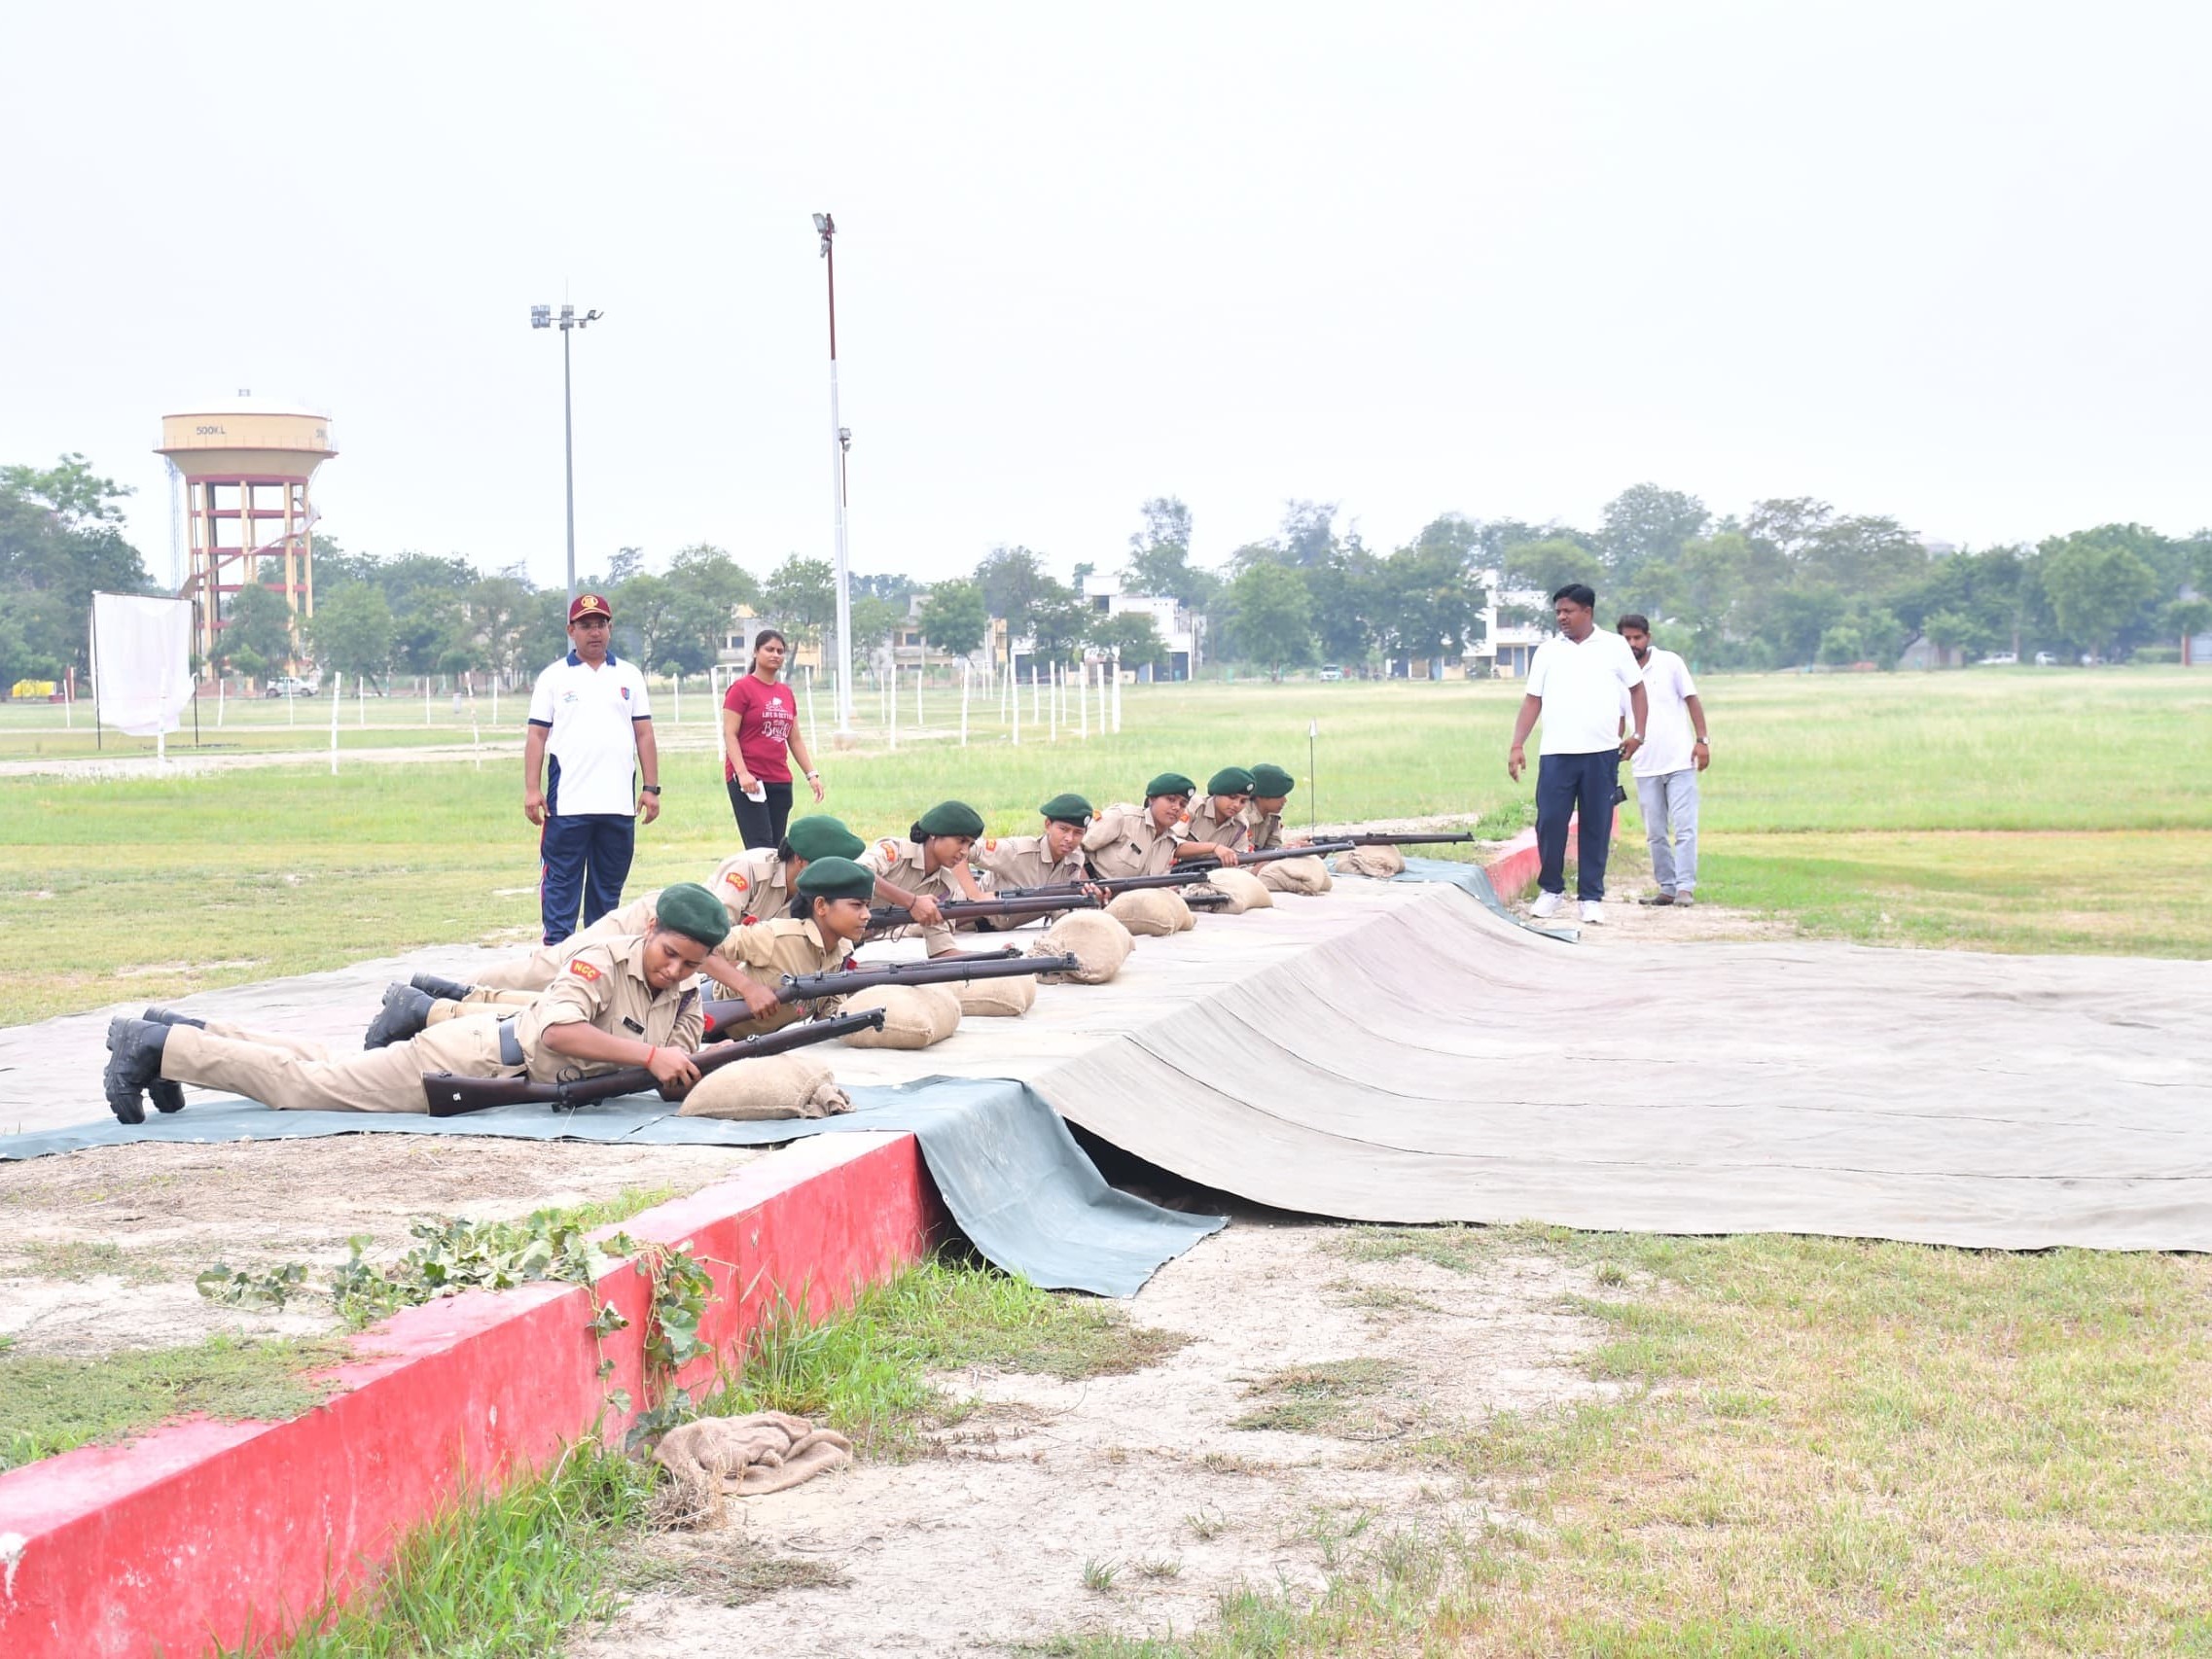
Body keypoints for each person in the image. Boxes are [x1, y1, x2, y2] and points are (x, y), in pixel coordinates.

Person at [102, 885, 725, 1122]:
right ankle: (157, 1048)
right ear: (650, 932)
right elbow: (561, 1033)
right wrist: (650, 1054)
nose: (675, 971)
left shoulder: (686, 994)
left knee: (324, 1062)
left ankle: (181, 1032)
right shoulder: (601, 961)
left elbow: (674, 1069)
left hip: (493, 1068)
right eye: (669, 953)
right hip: (475, 1061)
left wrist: (696, 1065)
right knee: (307, 1088)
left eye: (692, 963)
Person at [422, 815, 867, 1001]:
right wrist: (748, 989)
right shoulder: (748, 871)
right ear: (804, 861)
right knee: (550, 968)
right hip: (653, 926)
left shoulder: (801, 897)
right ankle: (446, 991)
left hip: (673, 955)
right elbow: (702, 937)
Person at [1506, 583, 1648, 924]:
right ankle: (1551, 890)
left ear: (1588, 611)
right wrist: (1516, 744)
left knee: (1596, 825)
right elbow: (1532, 700)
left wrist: (1638, 734)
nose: (1562, 618)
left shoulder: (1614, 647)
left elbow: (1637, 689)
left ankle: (1590, 897)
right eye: (1558, 612)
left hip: (1600, 753)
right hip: (1556, 753)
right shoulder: (1547, 651)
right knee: (1551, 822)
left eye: (1568, 611)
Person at [524, 593, 660, 946]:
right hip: (567, 806)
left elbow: (643, 733)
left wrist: (651, 787)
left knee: (607, 892)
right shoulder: (554, 677)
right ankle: (556, 957)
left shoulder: (629, 675)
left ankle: (599, 957)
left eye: (600, 624)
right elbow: (537, 736)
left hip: (617, 806)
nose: (594, 632)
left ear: (610, 629)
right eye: (585, 625)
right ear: (571, 630)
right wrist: (532, 789)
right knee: (562, 885)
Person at [1617, 615, 1710, 907]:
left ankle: (1685, 888)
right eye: (1627, 639)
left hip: (1679, 760)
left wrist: (1702, 740)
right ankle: (1667, 888)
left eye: (1637, 638)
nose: (1633, 644)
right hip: (1644, 765)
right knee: (1655, 833)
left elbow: (1692, 700)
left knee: (1684, 827)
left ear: (1649, 637)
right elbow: (1619, 719)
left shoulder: (1670, 663)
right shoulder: (1618, 674)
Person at [722, 629, 824, 849]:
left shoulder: (785, 693)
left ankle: (776, 885)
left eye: (780, 651)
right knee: (760, 848)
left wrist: (811, 774)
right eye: (769, 649)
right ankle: (757, 885)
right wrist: (742, 773)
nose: (775, 654)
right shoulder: (741, 689)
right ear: (756, 652)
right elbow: (730, 734)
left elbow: (794, 738)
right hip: (750, 780)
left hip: (779, 778)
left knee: (778, 849)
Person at [860, 801, 992, 957]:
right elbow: (858, 872)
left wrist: (994, 956)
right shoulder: (895, 853)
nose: (964, 851)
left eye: (970, 845)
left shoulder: (944, 885)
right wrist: (912, 902)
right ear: (935, 834)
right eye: (961, 841)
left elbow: (941, 950)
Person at [1083, 775, 1195, 879]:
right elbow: (1075, 849)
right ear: (1152, 799)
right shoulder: (1123, 819)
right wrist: (1087, 887)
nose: (1176, 807)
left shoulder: (1169, 843)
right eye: (1171, 799)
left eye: (1183, 804)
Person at [1172, 767, 1255, 865]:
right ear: (1217, 793)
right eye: (1232, 797)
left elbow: (1239, 861)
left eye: (1243, 801)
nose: (1237, 805)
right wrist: (1214, 847)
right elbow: (1171, 844)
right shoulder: (1194, 807)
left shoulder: (1240, 824)